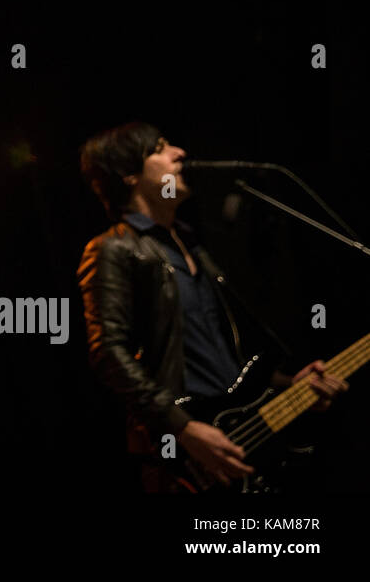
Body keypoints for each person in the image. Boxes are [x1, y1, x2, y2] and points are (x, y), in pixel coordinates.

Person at [76, 121, 347, 491]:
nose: (179, 153)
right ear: (127, 175)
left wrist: (288, 386)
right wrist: (183, 428)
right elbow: (108, 352)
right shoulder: (114, 249)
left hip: (240, 438)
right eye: (159, 148)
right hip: (185, 461)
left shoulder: (191, 246)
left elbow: (222, 356)